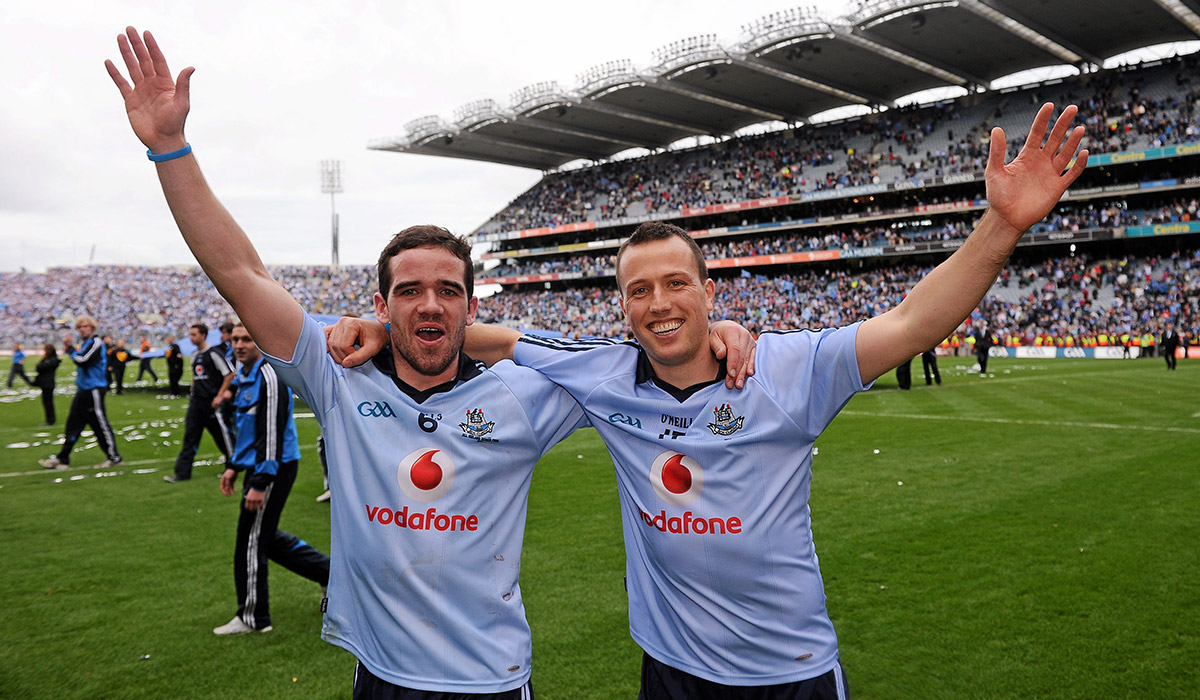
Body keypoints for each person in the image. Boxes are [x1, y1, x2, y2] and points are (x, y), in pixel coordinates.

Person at [331, 100, 1089, 698]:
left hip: (790, 671)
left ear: (707, 290)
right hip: (671, 671)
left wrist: (1002, 224)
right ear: (622, 308)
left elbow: (913, 322)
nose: (659, 303)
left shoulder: (790, 370)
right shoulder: (603, 373)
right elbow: (483, 336)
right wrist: (384, 326)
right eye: (639, 290)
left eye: (676, 283)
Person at [105, 29, 755, 697]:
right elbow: (240, 273)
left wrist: (724, 327)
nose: (430, 305)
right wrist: (169, 148)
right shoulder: (337, 375)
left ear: (472, 305)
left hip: (491, 683)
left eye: (448, 290)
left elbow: (655, 342)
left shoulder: (527, 398)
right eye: (409, 291)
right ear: (381, 304)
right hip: (380, 677)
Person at [213, 322, 331, 635]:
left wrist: (261, 481)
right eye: (236, 339)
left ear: (260, 341)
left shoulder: (268, 375)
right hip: (260, 465)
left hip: (274, 466)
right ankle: (329, 573)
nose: (239, 345)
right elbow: (248, 429)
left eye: (248, 339)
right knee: (265, 537)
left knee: (251, 541)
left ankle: (253, 617)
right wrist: (234, 466)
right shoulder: (245, 374)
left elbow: (271, 432)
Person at [39, 316, 123, 470]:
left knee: (100, 424)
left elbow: (82, 360)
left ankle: (114, 456)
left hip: (94, 390)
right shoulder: (85, 344)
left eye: (85, 326)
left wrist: (70, 349)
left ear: (92, 328)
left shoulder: (96, 343)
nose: (82, 329)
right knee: (73, 425)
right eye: (80, 327)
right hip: (83, 390)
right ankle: (63, 458)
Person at [165, 323, 235, 482]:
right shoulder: (195, 355)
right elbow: (195, 375)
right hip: (196, 403)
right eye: (190, 335)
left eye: (194, 335)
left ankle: (233, 465)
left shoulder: (214, 353)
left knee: (222, 436)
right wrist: (193, 387)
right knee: (190, 437)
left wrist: (219, 395)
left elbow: (229, 374)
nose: (191, 338)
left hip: (212, 403)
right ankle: (182, 473)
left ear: (203, 335)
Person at [33, 344, 60, 425]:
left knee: (48, 402)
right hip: (46, 383)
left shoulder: (51, 360)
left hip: (48, 383)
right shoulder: (50, 359)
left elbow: (40, 367)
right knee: (47, 402)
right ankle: (50, 419)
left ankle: (50, 420)